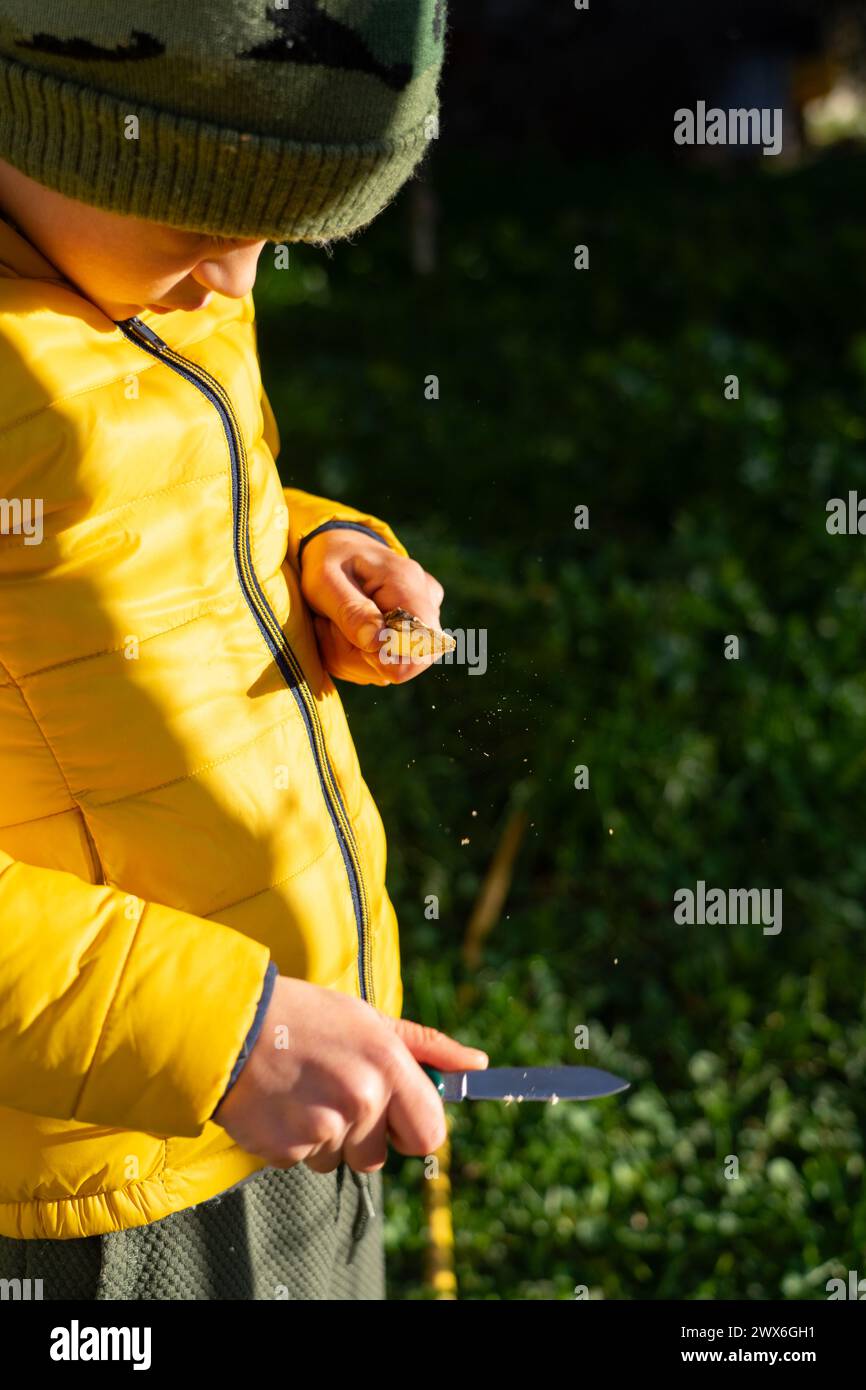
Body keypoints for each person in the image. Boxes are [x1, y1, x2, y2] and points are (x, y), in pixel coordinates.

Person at [0, 0, 486, 1301]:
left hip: (279, 1074)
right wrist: (212, 1029)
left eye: (275, 237)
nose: (234, 279)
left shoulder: (122, 246)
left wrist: (297, 547)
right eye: (204, 227)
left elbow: (132, 510)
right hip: (79, 1191)